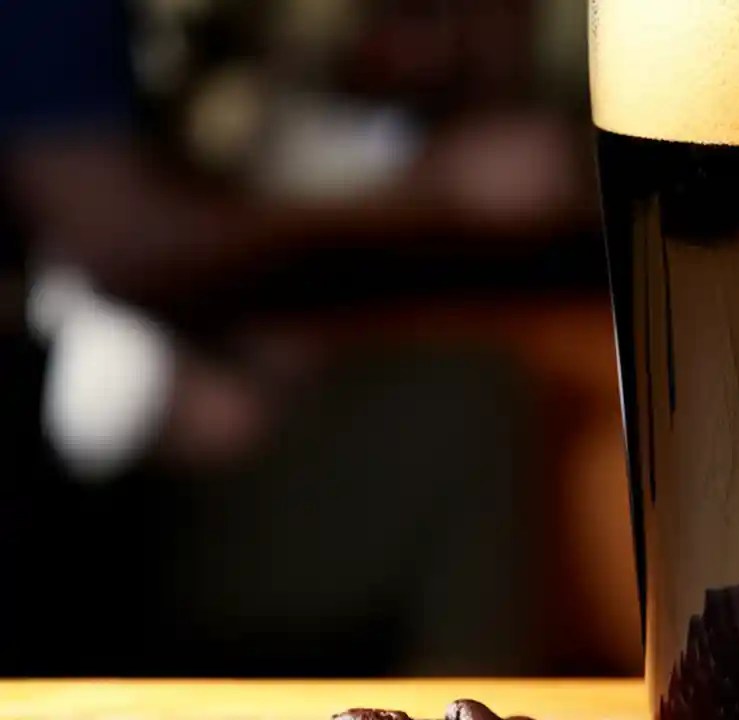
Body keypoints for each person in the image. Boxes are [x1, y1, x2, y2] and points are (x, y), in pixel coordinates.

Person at [0, 0, 596, 676]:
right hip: (81, 497)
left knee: (472, 399)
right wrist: (432, 189)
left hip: (213, 400)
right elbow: (115, 238)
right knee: (467, 415)